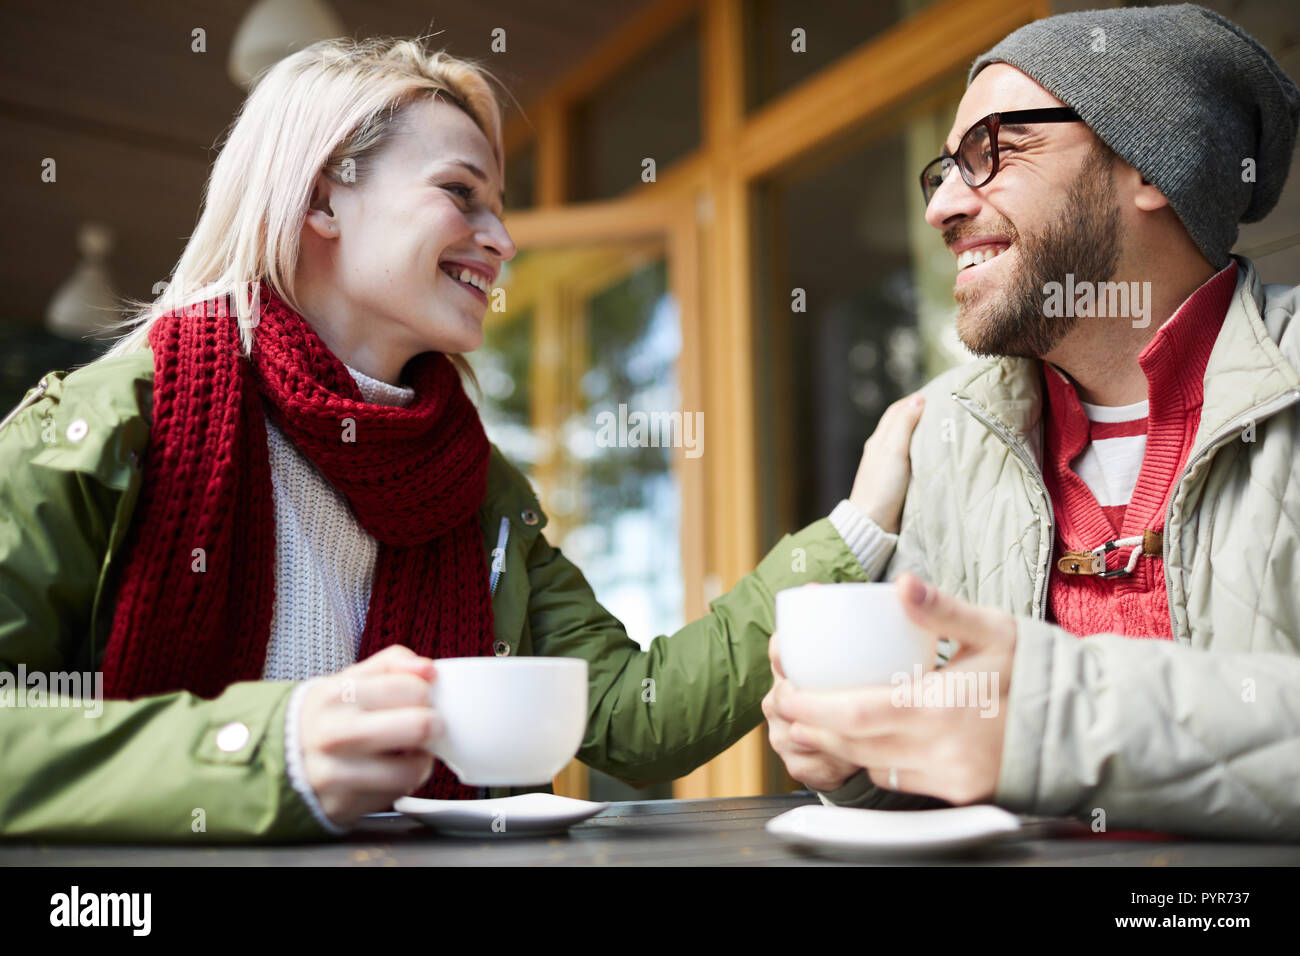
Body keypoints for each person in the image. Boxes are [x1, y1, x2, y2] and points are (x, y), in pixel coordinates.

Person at [0, 37, 922, 841]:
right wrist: (264, 750)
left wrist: (858, 525)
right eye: (461, 194)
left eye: (500, 205)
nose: (502, 239)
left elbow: (635, 721)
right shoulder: (113, 422)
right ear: (323, 198)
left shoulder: (479, 489)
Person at [764, 3, 1300, 839]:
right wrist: (859, 758)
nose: (943, 205)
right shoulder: (954, 430)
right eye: (942, 169)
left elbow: (1032, 727)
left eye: (994, 151)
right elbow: (954, 757)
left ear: (1152, 166)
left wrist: (1056, 718)